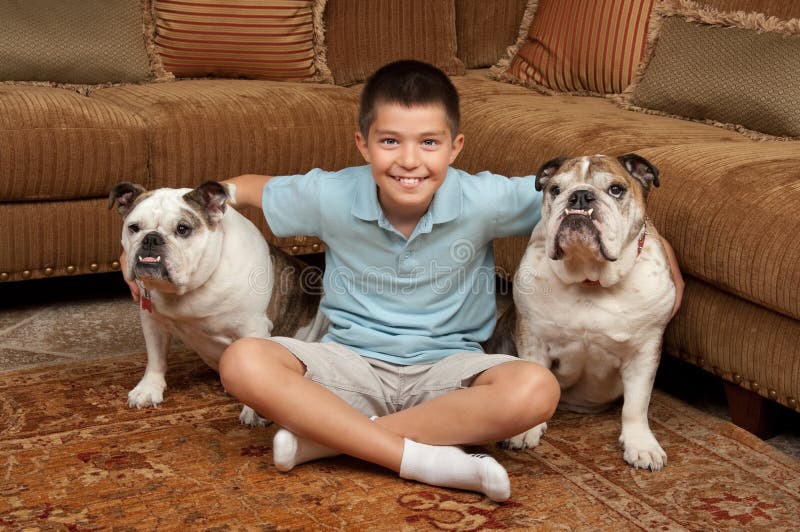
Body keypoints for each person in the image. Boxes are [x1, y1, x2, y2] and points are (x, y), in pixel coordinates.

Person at [123, 60, 683, 502]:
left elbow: (599, 210)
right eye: (390, 142)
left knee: (536, 390)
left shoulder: (486, 196)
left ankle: (331, 440)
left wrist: (663, 267)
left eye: (429, 143)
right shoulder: (331, 193)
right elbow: (239, 190)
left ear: (455, 148)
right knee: (244, 360)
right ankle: (423, 457)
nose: (410, 161)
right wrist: (155, 236)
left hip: (450, 366)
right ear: (363, 145)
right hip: (346, 361)